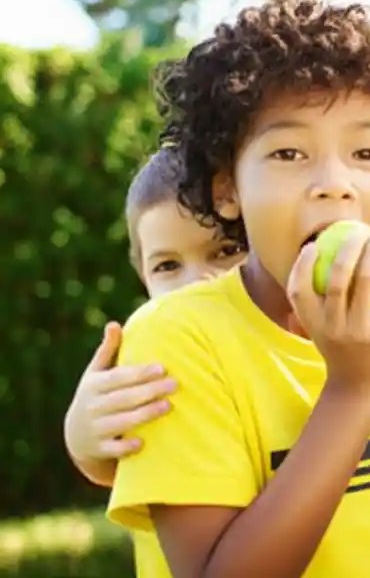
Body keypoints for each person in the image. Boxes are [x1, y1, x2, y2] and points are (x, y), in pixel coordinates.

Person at [104, 0, 370, 577]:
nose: (334, 184)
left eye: (367, 151)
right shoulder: (177, 341)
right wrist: (354, 391)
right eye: (289, 152)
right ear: (228, 191)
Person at [64, 147, 244, 576]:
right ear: (141, 274)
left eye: (224, 251)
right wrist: (83, 440)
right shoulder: (155, 361)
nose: (195, 283)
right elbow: (140, 458)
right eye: (167, 266)